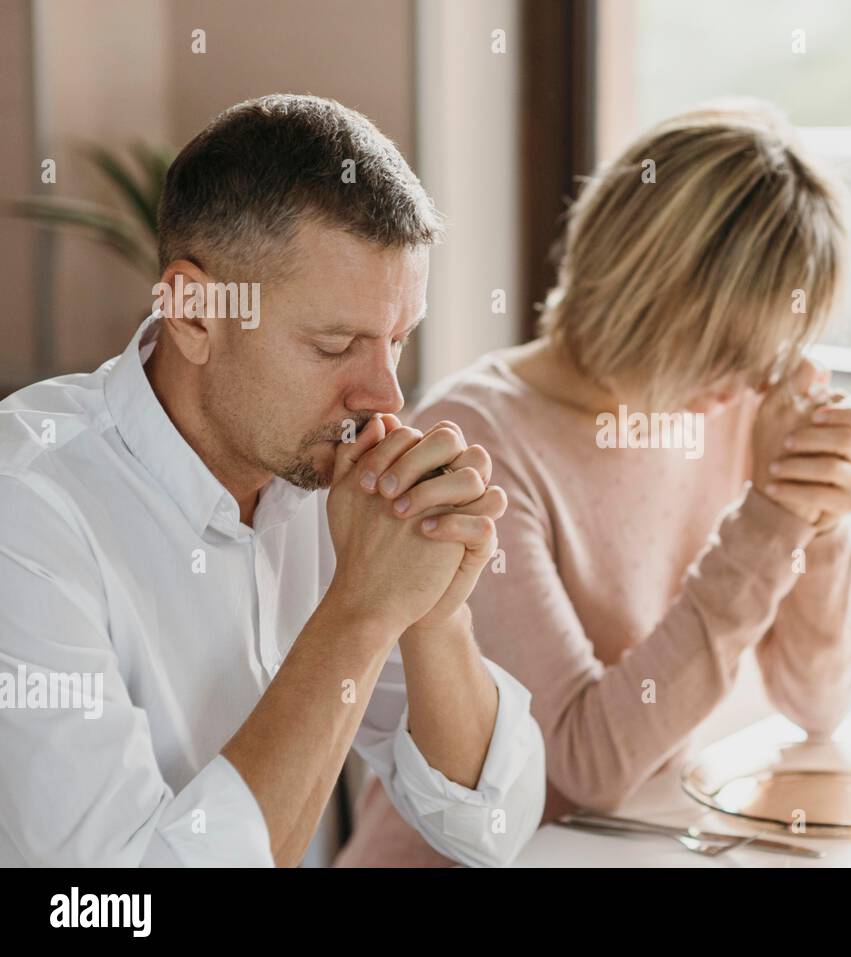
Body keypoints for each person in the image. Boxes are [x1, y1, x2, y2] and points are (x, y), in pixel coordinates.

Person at [0, 94, 545, 867]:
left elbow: (489, 827)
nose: (385, 395)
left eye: (397, 340)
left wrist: (434, 608)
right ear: (193, 312)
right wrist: (359, 612)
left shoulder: (332, 475)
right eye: (334, 345)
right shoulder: (26, 510)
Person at [338, 101, 851, 865]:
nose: (751, 381)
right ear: (644, 289)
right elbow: (581, 766)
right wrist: (769, 518)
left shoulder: (730, 395)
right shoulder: (476, 437)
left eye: (771, 350)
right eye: (729, 348)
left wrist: (816, 516)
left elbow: (818, 702)